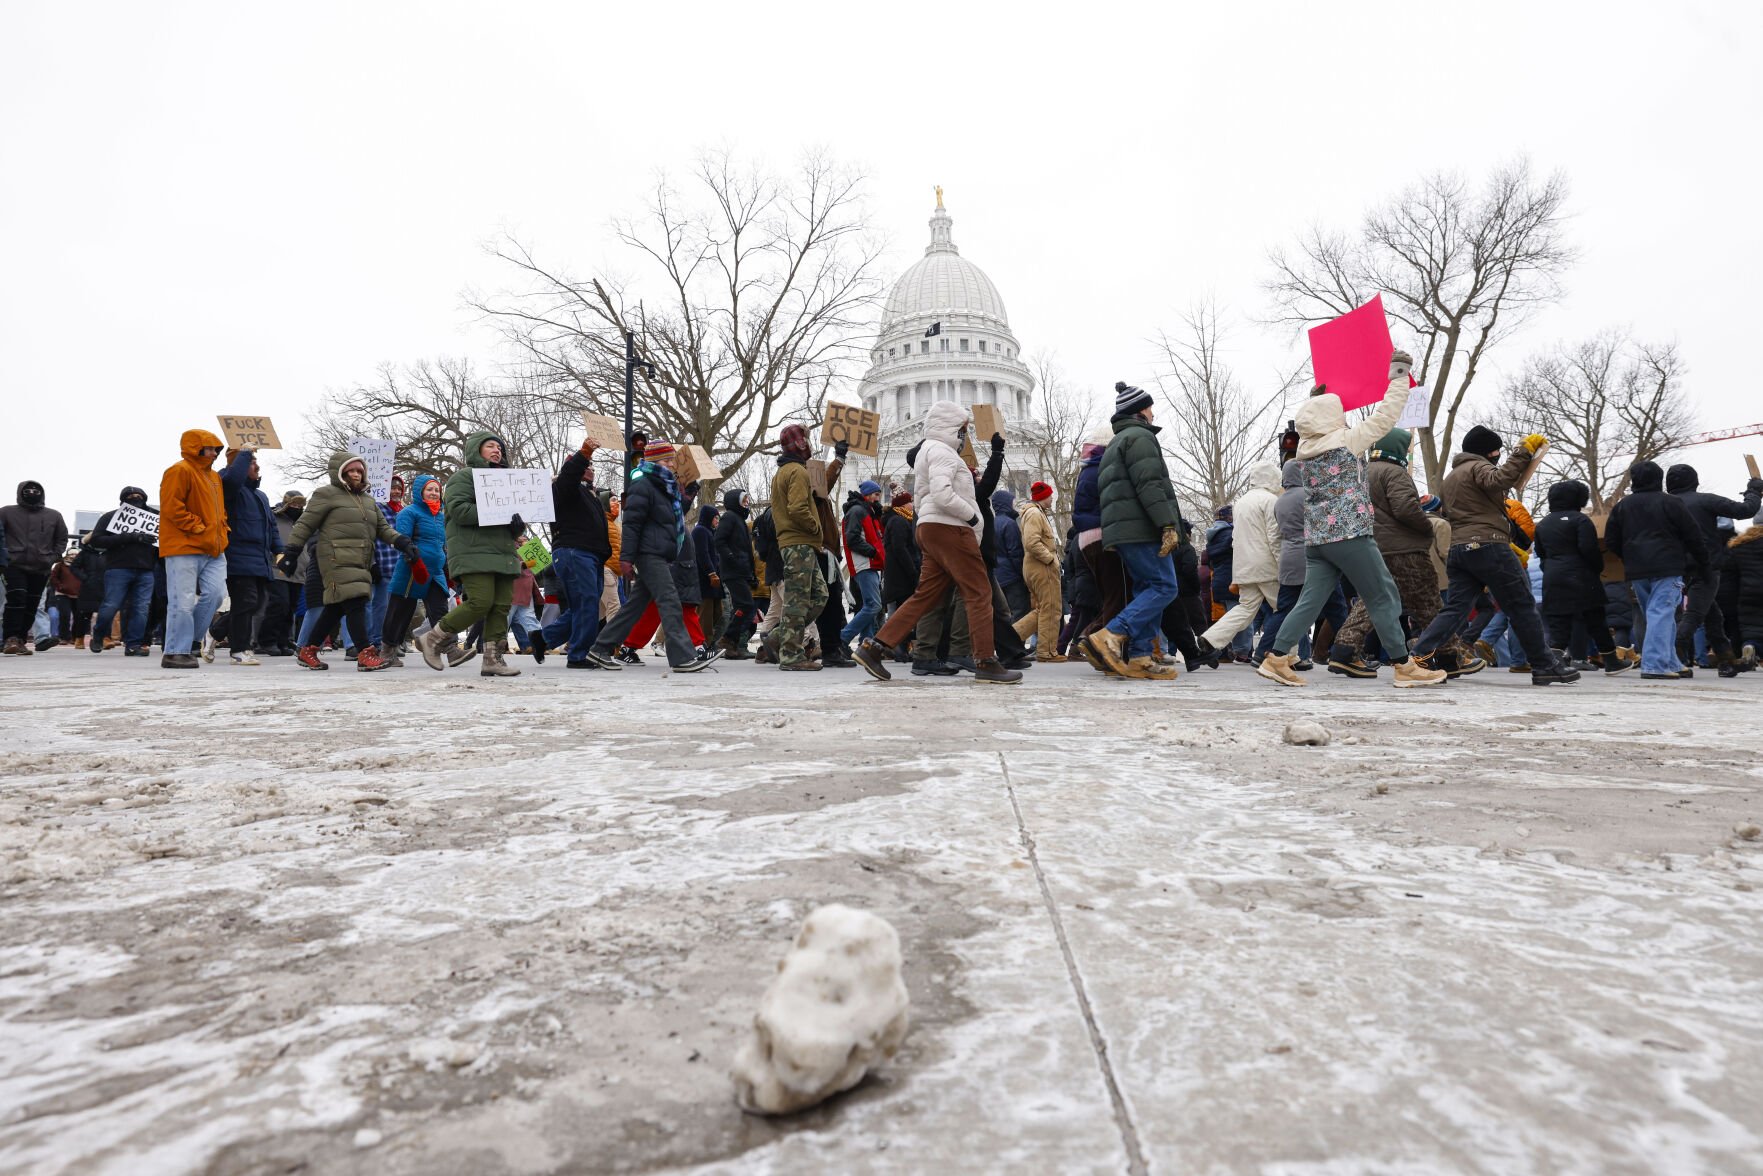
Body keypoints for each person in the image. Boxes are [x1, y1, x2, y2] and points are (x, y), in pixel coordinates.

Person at [1257, 356, 1446, 689]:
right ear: (1333, 418)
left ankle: (1275, 657)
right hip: (1350, 533)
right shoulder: (1347, 441)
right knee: (1384, 596)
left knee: (1309, 600)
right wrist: (1399, 375)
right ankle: (1404, 666)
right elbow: (1387, 415)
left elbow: (1318, 418)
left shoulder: (1305, 450)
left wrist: (1318, 399)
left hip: (1316, 538)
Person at [853, 402, 1021, 684]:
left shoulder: (926, 452)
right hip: (950, 528)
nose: (964, 436)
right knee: (979, 592)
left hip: (929, 527)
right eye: (963, 429)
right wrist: (972, 518)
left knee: (926, 595)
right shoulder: (943, 452)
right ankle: (986, 660)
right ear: (950, 426)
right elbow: (943, 494)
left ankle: (875, 648)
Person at [1404, 425, 1573, 684]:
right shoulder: (1479, 467)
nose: (1498, 455)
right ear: (1488, 451)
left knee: (1455, 609)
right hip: (1488, 546)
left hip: (1461, 549)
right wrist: (1522, 452)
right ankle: (1543, 664)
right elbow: (1500, 480)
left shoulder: (1451, 477)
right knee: (1522, 604)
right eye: (1497, 451)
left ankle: (1417, 656)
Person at [1330, 430, 1481, 678]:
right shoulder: (1395, 472)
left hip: (1373, 548)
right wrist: (1426, 526)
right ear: (1397, 448)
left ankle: (1344, 650)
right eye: (1407, 448)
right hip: (1406, 550)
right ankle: (1449, 656)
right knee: (1428, 603)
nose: (1408, 452)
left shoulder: (1360, 474)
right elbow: (1405, 508)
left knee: (1374, 600)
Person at [579, 441, 716, 673]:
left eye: (672, 460)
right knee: (671, 600)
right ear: (653, 462)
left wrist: (690, 490)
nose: (672, 464)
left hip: (659, 553)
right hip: (648, 553)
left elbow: (673, 516)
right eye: (666, 460)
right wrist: (627, 558)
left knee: (634, 607)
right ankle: (682, 657)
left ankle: (600, 649)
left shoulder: (665, 486)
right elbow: (632, 525)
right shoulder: (642, 485)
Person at [1080, 382, 1184, 681]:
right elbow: (1150, 484)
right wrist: (1166, 523)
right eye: (1150, 407)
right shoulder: (1140, 437)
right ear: (1140, 410)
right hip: (1142, 528)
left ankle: (1139, 656)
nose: (1153, 412)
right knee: (1165, 587)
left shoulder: (1117, 442)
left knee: (1146, 588)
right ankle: (1112, 634)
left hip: (1124, 529)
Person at [282, 450, 422, 671]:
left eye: (359, 470)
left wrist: (403, 542)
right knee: (356, 601)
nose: (356, 474)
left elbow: (383, 529)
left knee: (336, 608)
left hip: (360, 559)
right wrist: (291, 551)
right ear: (339, 473)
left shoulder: (367, 500)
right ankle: (365, 653)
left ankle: (308, 650)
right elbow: (305, 524)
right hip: (334, 558)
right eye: (351, 470)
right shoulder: (326, 494)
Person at [414, 431, 526, 677]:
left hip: (503, 552)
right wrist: (496, 509)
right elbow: (459, 510)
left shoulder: (507, 482)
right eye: (490, 446)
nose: (497, 451)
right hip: (474, 551)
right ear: (476, 450)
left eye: (500, 447)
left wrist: (517, 525)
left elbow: (511, 517)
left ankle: (492, 659)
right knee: (480, 601)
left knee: (500, 607)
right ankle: (432, 639)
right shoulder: (463, 478)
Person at [1605, 460, 1710, 679]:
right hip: (1667, 566)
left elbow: (1611, 540)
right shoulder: (1671, 502)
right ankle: (1655, 665)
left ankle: (1671, 660)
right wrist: (1703, 564)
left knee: (1657, 615)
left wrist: (1628, 557)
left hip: (1637, 569)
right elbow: (1693, 535)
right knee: (1661, 613)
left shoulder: (1623, 505)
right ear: (1658, 478)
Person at [1665, 463, 1762, 677]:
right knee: (1696, 614)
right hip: (1705, 565)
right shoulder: (1705, 500)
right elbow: (1745, 510)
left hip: (1673, 566)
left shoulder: (1663, 503)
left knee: (1712, 615)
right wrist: (1754, 491)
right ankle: (1670, 657)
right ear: (1695, 481)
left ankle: (1726, 659)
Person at [1534, 479, 1631, 675]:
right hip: (1582, 576)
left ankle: (1555, 663)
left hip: (1553, 576)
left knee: (1559, 623)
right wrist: (1597, 568)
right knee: (1596, 621)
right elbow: (1589, 549)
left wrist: (1551, 568)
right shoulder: (1580, 520)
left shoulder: (1543, 524)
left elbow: (1540, 552)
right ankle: (1611, 661)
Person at [537, 437, 612, 668]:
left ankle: (543, 638)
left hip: (592, 555)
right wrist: (584, 453)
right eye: (586, 465)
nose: (590, 468)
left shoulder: (590, 495)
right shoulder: (562, 488)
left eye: (592, 466)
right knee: (587, 603)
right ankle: (578, 654)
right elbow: (569, 475)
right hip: (573, 552)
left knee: (584, 605)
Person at [157, 430, 229, 669]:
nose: (213, 453)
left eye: (215, 449)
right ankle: (175, 651)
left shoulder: (214, 477)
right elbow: (171, 507)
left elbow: (219, 510)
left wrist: (221, 529)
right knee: (182, 601)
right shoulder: (179, 470)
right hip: (184, 546)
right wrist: (198, 527)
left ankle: (189, 643)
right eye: (208, 448)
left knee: (216, 595)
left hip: (214, 547)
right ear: (194, 448)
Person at [1197, 464, 1281, 665]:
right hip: (1266, 565)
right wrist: (1282, 563)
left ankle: (1211, 637)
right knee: (1284, 608)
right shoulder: (1271, 500)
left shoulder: (1241, 502)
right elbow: (1274, 537)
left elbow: (1236, 538)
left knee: (1245, 608)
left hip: (1243, 565)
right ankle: (1287, 654)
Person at [768, 424, 830, 671]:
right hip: (799, 542)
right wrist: (816, 528)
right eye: (806, 440)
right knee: (798, 600)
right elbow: (797, 509)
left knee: (819, 595)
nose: (810, 444)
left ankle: (777, 638)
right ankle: (791, 656)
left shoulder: (785, 471)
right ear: (801, 444)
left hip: (798, 543)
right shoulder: (797, 472)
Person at [215, 447, 281, 665]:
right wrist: (243, 453)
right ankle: (239, 649)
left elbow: (272, 528)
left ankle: (214, 632)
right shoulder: (229, 487)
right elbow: (232, 479)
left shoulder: (260, 496)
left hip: (260, 559)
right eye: (251, 461)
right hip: (238, 556)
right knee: (246, 601)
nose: (257, 465)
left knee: (256, 603)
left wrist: (279, 550)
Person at [383, 475, 449, 668]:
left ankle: (450, 648)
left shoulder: (441, 516)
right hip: (412, 569)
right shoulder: (408, 512)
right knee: (401, 611)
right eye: (430, 489)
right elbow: (403, 540)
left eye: (437, 490)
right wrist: (413, 558)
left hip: (435, 571)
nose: (434, 493)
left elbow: (442, 545)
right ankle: (387, 649)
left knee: (440, 609)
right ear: (420, 492)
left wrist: (446, 569)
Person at [1, 480, 69, 655]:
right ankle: (10, 638)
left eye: (35, 490)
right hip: (13, 564)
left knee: (32, 604)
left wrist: (52, 557)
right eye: (28, 490)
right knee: (16, 599)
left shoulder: (54, 515)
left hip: (41, 566)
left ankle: (20, 640)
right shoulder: (6, 512)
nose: (32, 492)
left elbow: (62, 538)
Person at [89, 488, 159, 657]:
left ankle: (133, 644)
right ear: (122, 500)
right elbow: (96, 540)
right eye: (130, 497)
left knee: (141, 608)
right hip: (118, 569)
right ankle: (99, 635)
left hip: (146, 570)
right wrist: (131, 537)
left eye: (139, 497)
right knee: (111, 605)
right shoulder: (110, 517)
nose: (135, 499)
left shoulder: (156, 518)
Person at [1012, 481, 1065, 661]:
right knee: (1051, 610)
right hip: (1042, 568)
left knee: (1042, 610)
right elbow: (1032, 542)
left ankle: (1008, 638)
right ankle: (1046, 652)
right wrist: (1050, 559)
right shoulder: (1035, 514)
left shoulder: (1033, 513)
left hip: (1034, 567)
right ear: (1042, 497)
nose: (1052, 498)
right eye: (1049, 495)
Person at [840, 480, 887, 650]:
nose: (878, 499)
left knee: (868, 606)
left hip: (869, 565)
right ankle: (843, 638)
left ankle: (865, 646)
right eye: (876, 495)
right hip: (865, 565)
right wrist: (873, 552)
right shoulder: (858, 511)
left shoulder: (867, 511)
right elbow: (852, 539)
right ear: (867, 495)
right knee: (874, 605)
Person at [713, 489, 759, 658]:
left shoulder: (740, 520)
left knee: (742, 606)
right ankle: (727, 639)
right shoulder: (730, 517)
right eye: (744, 500)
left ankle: (732, 646)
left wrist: (752, 575)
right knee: (746, 605)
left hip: (741, 571)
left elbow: (747, 550)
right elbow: (719, 540)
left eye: (748, 499)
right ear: (735, 502)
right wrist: (731, 558)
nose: (747, 503)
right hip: (733, 571)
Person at [261, 492, 306, 655]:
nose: (297, 509)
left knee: (290, 609)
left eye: (300, 506)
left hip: (298, 571)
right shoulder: (274, 518)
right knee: (279, 604)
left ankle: (283, 641)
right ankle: (267, 641)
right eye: (294, 505)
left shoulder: (304, 522)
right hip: (277, 568)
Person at [992, 489, 1029, 620]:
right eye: (1012, 502)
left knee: (1003, 615)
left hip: (997, 577)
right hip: (1012, 577)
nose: (1014, 504)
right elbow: (1015, 553)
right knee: (1019, 614)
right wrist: (1023, 574)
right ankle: (1016, 641)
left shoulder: (991, 523)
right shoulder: (1009, 524)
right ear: (1006, 504)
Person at [695, 503, 723, 643]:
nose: (717, 520)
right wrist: (711, 573)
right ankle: (703, 642)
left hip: (713, 580)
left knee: (717, 612)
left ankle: (708, 640)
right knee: (705, 614)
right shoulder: (700, 531)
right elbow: (702, 554)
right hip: (705, 579)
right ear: (708, 517)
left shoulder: (709, 532)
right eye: (715, 517)